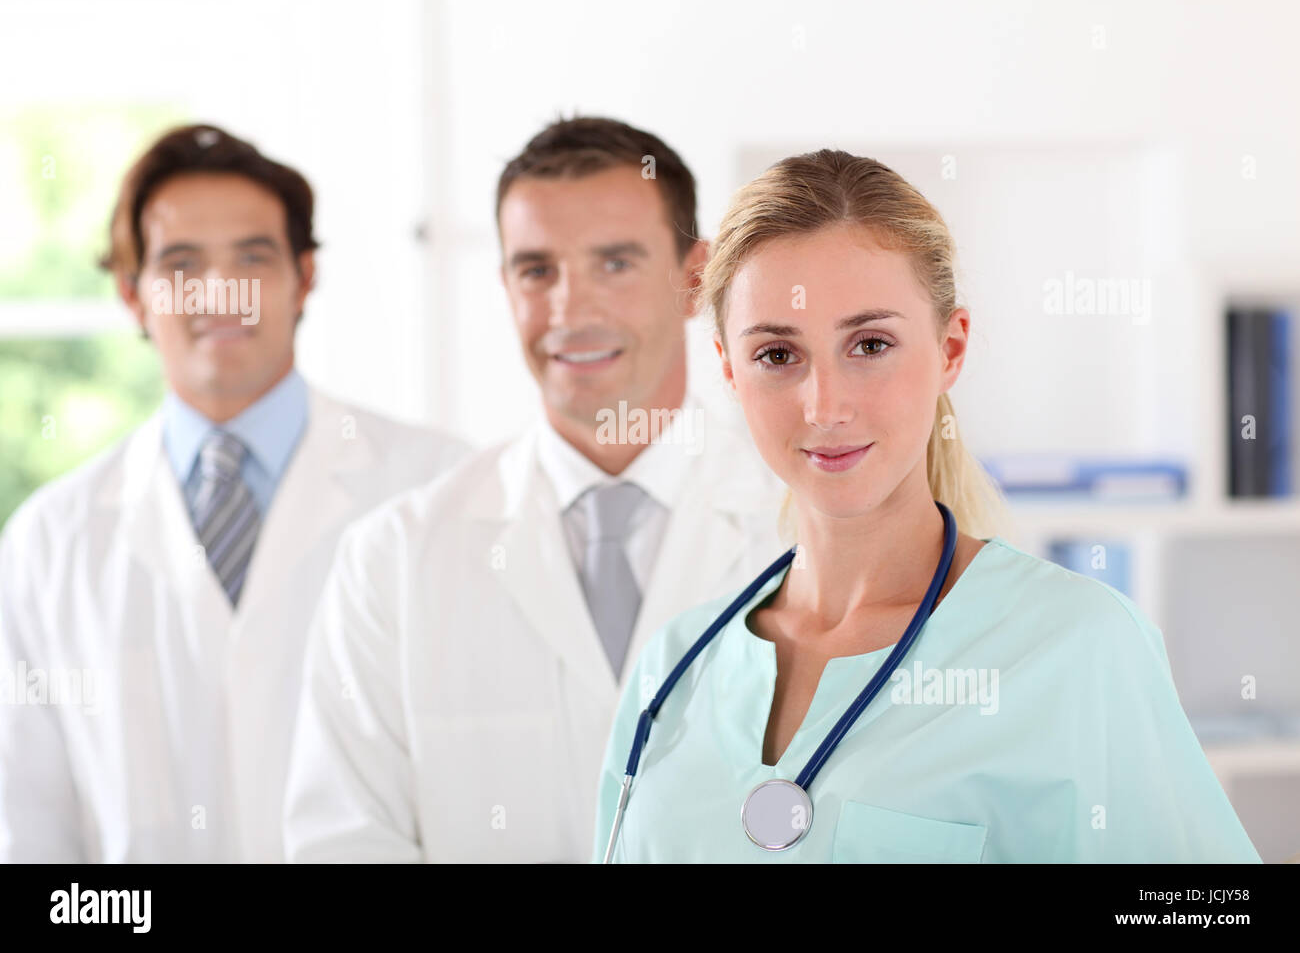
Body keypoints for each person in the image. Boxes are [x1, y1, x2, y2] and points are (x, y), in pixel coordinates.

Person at [593, 148, 1262, 863]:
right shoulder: (672, 671)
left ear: (950, 348)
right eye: (778, 356)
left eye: (870, 343)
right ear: (730, 368)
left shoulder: (1077, 647)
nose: (825, 406)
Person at [283, 116, 787, 862]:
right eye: (536, 269)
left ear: (695, 278)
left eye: (615, 263)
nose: (570, 309)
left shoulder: (800, 526)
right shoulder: (393, 560)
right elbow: (344, 842)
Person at [0, 124, 469, 862]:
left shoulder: (440, 487)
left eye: (253, 258)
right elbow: (30, 831)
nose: (221, 293)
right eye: (182, 264)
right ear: (132, 294)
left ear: (303, 277)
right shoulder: (48, 540)